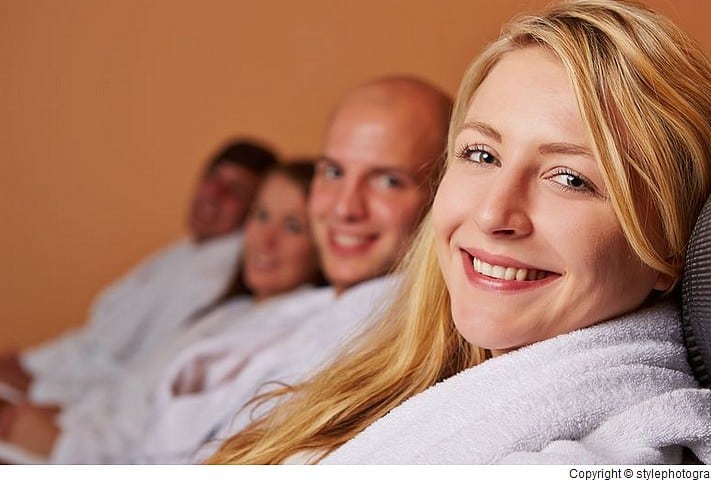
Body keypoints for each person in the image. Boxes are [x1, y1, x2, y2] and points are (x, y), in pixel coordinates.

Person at [207, 0, 711, 465]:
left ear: (668, 250)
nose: (493, 214)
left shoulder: (627, 451)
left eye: (570, 178)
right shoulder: (399, 370)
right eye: (481, 153)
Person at [1, 76, 453, 464]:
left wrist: (65, 444)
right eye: (332, 172)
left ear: (443, 194)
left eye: (388, 180)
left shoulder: (390, 341)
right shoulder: (307, 311)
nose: (344, 208)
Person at [0, 160, 323, 462]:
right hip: (78, 425)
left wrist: (58, 429)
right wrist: (54, 409)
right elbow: (131, 387)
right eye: (261, 215)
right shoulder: (233, 309)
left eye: (293, 226)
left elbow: (167, 447)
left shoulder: (285, 331)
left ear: (322, 241)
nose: (266, 240)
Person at [0, 140, 277, 407]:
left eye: (235, 191)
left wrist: (39, 386)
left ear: (253, 211)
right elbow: (96, 340)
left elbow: (137, 376)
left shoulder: (214, 275)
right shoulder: (187, 251)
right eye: (212, 179)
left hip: (78, 408)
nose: (213, 194)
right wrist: (30, 364)